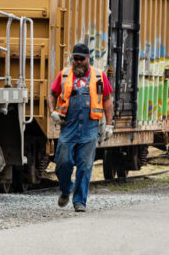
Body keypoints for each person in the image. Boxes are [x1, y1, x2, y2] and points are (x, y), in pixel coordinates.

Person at [47, 43, 114, 213]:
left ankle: (79, 201)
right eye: (74, 59)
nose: (77, 62)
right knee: (63, 162)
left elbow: (107, 100)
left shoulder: (99, 76)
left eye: (80, 59)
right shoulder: (64, 75)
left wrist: (110, 125)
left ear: (88, 59)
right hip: (68, 126)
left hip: (90, 127)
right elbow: (51, 94)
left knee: (84, 165)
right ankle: (65, 189)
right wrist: (52, 112)